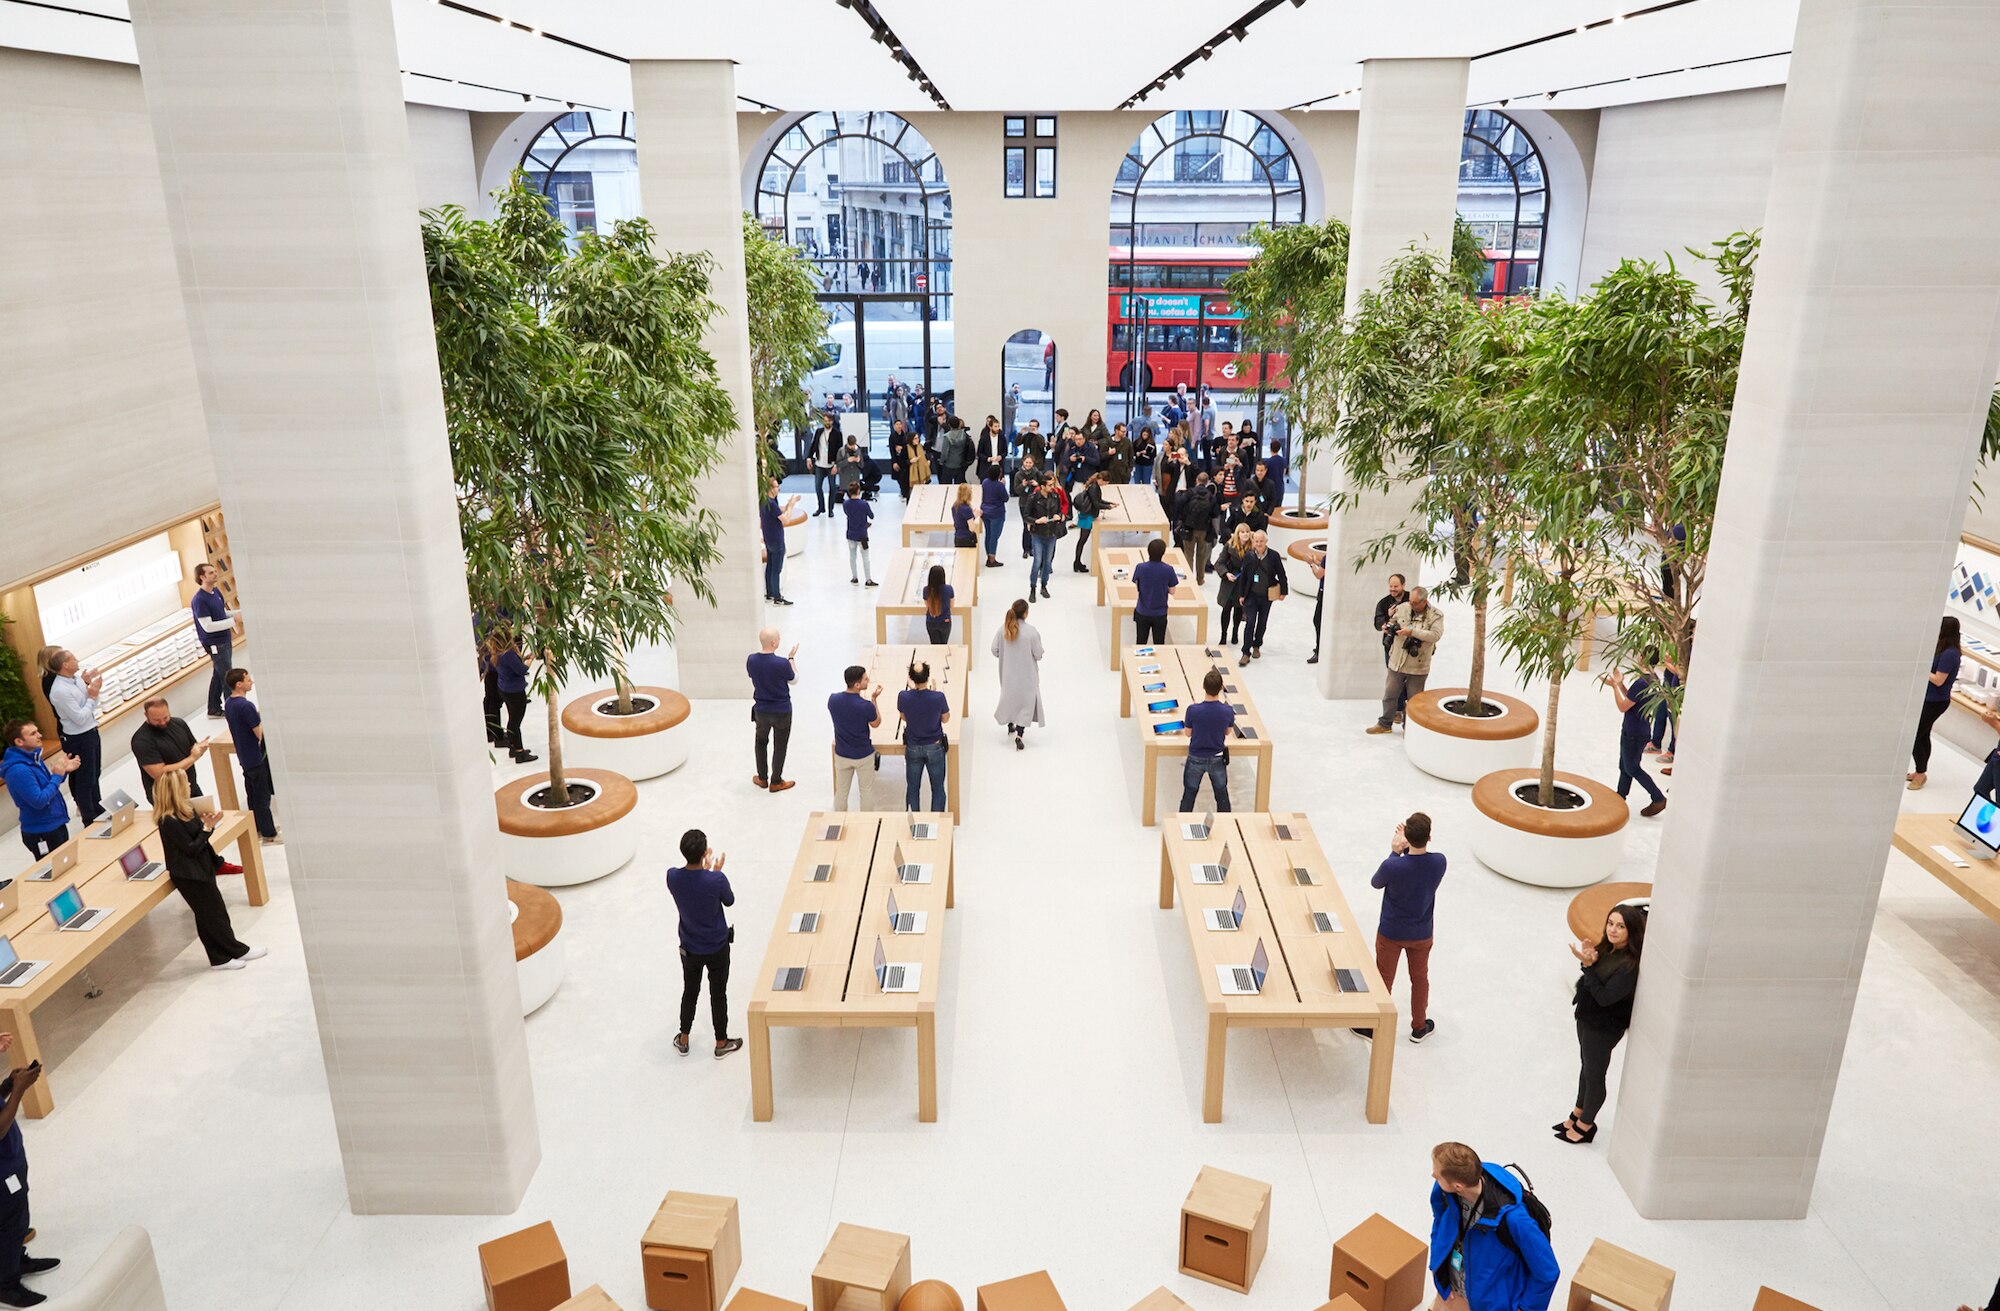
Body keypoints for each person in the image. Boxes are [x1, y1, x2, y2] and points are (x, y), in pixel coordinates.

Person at [1427, 1142, 1561, 1311]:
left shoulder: (1515, 1220)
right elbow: (1439, 1222)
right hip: (1452, 1293)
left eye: (1437, 1175)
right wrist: (1440, 1273)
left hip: (1489, 1304)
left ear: (1458, 1186)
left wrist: (1525, 1308)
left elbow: (1548, 1272)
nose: (1433, 1175)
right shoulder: (1444, 1191)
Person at [153, 769, 264, 971]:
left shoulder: (186, 810)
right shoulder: (168, 820)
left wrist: (208, 824)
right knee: (214, 915)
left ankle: (219, 957)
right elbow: (191, 848)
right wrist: (206, 829)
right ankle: (235, 950)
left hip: (201, 868)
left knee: (208, 916)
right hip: (189, 875)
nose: (189, 785)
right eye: (185, 782)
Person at [1558, 903, 1648, 1145]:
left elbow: (1605, 996)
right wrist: (1590, 961)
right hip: (1587, 1017)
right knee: (1586, 1067)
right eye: (1610, 923)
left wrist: (1589, 967)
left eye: (1620, 926)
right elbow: (1593, 980)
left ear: (1631, 931)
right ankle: (1577, 1112)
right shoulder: (1607, 949)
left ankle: (1586, 1124)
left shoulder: (1629, 964)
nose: (1613, 930)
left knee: (1595, 1074)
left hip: (1604, 1026)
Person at [665, 829, 743, 1059]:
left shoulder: (672, 877)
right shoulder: (716, 880)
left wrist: (706, 871)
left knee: (690, 990)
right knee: (718, 993)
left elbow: (692, 886)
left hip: (689, 948)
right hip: (717, 947)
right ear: (703, 853)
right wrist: (714, 872)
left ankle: (684, 1037)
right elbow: (729, 900)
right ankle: (721, 1042)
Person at [1370, 814, 1445, 1044]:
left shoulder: (1393, 865)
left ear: (1407, 838)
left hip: (1391, 932)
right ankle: (1419, 1026)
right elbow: (1416, 870)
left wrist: (1396, 850)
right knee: (1420, 978)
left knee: (1383, 978)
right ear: (1430, 837)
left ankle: (1371, 1026)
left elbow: (1376, 882)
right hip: (1421, 933)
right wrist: (1406, 849)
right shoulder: (1439, 862)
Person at [0, 1034, 57, 1307]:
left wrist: (8, 1085)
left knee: (18, 1213)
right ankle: (6, 1284)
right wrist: (20, 1090)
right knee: (8, 1222)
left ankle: (16, 1260)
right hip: (1, 1171)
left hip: (11, 1158)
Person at [40, 649, 103, 825]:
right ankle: (89, 817)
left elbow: (91, 705)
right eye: (73, 659)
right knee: (84, 778)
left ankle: (97, 806)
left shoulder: (76, 680)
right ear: (65, 665)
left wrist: (92, 693)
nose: (78, 660)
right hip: (78, 737)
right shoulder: (59, 690)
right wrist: (92, 696)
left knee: (95, 772)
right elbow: (80, 717)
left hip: (91, 730)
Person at [1368, 587, 1443, 733]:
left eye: (1415, 603)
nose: (1411, 605)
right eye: (1410, 601)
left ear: (1424, 601)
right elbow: (1392, 621)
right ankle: (1385, 724)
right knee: (1390, 695)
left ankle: (1410, 730)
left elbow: (1435, 635)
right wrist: (1387, 626)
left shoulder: (1436, 615)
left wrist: (1413, 632)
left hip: (1418, 666)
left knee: (1414, 700)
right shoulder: (1402, 608)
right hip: (1397, 661)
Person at [1, 723, 76, 860]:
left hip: (55, 824)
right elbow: (39, 800)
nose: (40, 735)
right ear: (19, 742)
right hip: (43, 832)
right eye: (33, 733)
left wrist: (62, 772)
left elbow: (48, 786)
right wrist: (57, 776)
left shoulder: (33, 758)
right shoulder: (18, 770)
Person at [223, 669, 280, 844]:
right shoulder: (246, 706)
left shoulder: (229, 703)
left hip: (244, 757)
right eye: (248, 680)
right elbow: (259, 734)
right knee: (262, 797)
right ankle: (269, 833)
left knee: (252, 795)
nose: (251, 682)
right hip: (256, 758)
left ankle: (257, 826)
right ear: (239, 684)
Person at [129, 697, 215, 809]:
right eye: (157, 720)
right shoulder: (141, 741)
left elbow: (192, 748)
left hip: (190, 787)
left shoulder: (179, 723)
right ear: (146, 715)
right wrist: (192, 758)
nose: (162, 722)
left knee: (208, 822)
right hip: (166, 797)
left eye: (165, 717)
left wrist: (200, 749)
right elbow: (160, 773)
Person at [1609, 659, 1669, 818]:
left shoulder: (1641, 682)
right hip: (1640, 729)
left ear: (1642, 657)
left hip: (1633, 731)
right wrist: (1619, 684)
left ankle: (1658, 797)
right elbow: (1633, 699)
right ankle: (1620, 796)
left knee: (1632, 767)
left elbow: (1623, 706)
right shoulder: (1653, 679)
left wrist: (1615, 687)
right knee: (1625, 765)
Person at [1910, 616, 1961, 791]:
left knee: (1915, 735)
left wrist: (1921, 667)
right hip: (1928, 698)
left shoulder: (1950, 654)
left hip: (1935, 701)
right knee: (1923, 735)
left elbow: (1939, 680)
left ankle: (1921, 773)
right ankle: (1919, 771)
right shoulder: (1943, 648)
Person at [746, 629, 799, 793]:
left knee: (760, 742)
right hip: (781, 710)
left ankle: (762, 778)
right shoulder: (782, 663)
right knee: (780, 745)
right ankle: (776, 781)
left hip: (761, 709)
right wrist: (791, 658)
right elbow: (794, 679)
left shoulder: (751, 660)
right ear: (774, 643)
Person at [1177, 668, 1235, 812]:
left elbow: (1188, 733)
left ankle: (1183, 824)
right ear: (1221, 688)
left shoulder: (1193, 710)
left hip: (1196, 757)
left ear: (1203, 686)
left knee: (1189, 794)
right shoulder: (1228, 711)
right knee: (1222, 795)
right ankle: (1227, 826)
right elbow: (1228, 731)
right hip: (1217, 757)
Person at [991, 600, 1045, 750]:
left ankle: (1010, 724)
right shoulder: (1031, 632)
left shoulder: (1003, 630)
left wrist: (1006, 655)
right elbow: (1038, 654)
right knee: (1025, 705)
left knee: (1010, 699)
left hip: (1008, 674)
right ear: (1026, 614)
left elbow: (994, 649)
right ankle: (1019, 735)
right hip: (1027, 676)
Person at [899, 661, 952, 812]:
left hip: (913, 747)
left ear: (911, 677)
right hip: (935, 746)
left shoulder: (904, 696)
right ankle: (937, 822)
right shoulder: (938, 697)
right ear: (928, 676)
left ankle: (913, 821)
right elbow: (945, 718)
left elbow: (904, 716)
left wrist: (914, 691)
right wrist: (933, 693)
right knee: (938, 787)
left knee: (913, 787)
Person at [190, 563, 241, 720]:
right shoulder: (199, 600)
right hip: (215, 643)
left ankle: (213, 708)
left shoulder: (215, 592)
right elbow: (208, 626)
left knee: (219, 673)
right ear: (202, 577)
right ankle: (232, 711)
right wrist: (234, 621)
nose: (215, 574)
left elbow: (220, 614)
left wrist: (236, 614)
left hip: (224, 639)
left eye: (215, 571)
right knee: (227, 676)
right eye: (211, 573)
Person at [828, 666, 882, 812]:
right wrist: (873, 700)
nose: (868, 680)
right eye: (865, 679)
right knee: (866, 792)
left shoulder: (833, 700)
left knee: (841, 792)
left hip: (842, 754)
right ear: (857, 685)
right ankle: (865, 823)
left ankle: (838, 820)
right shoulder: (865, 706)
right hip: (863, 755)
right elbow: (876, 723)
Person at [1235, 530, 1289, 666]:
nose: (1259, 544)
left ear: (1266, 541)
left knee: (1262, 622)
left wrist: (1283, 591)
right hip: (1251, 595)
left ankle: (1257, 645)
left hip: (1266, 596)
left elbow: (1282, 574)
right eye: (1257, 541)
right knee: (1250, 622)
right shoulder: (1249, 556)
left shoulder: (1274, 556)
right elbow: (1244, 577)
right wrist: (1242, 594)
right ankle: (1245, 652)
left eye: (1261, 541)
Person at [493, 638, 537, 763]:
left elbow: (510, 666)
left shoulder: (497, 652)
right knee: (515, 722)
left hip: (504, 689)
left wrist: (522, 659)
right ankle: (519, 752)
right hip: (515, 691)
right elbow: (522, 670)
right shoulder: (509, 654)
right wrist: (530, 660)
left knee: (512, 718)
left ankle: (513, 747)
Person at [1131, 538, 1180, 646]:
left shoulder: (1140, 567)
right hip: (1160, 613)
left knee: (1140, 641)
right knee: (1159, 643)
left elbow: (1137, 584)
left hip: (1142, 611)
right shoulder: (1168, 569)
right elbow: (1172, 591)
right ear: (1163, 553)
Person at [1026, 473, 1065, 601]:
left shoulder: (1055, 496)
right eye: (1049, 485)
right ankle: (1032, 588)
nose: (1052, 487)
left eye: (1053, 484)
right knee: (1037, 561)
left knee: (1048, 562)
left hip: (1051, 533)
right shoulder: (1033, 498)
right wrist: (1036, 521)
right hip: (1038, 533)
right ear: (1042, 486)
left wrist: (1058, 516)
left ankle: (1044, 585)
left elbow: (1059, 511)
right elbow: (1026, 516)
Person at [761, 477, 799, 606]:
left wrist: (787, 506)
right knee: (776, 569)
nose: (779, 489)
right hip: (776, 539)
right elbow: (786, 520)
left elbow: (779, 511)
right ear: (771, 489)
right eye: (777, 487)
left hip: (768, 538)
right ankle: (777, 597)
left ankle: (770, 593)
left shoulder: (765, 501)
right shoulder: (771, 503)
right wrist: (791, 507)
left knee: (770, 566)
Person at [1214, 524, 1252, 648]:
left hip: (1243, 584)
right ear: (1238, 533)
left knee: (1239, 610)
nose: (1245, 534)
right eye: (1242, 532)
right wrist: (1226, 573)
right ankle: (1223, 635)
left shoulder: (1253, 548)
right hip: (1230, 583)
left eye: (1247, 531)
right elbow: (1219, 562)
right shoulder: (1229, 546)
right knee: (1226, 609)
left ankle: (1235, 633)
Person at [1177, 473, 1217, 587]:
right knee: (1201, 554)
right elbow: (1215, 513)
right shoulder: (1210, 495)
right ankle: (1200, 579)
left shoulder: (1190, 492)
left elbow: (1179, 504)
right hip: (1204, 529)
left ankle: (1189, 578)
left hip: (1189, 528)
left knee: (1189, 554)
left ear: (1196, 480)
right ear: (1207, 482)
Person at [1070, 473, 1111, 574]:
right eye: (1105, 482)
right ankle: (1077, 562)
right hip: (1087, 516)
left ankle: (1077, 562)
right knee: (1082, 540)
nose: (1105, 484)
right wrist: (1108, 507)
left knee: (1082, 540)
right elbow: (1096, 503)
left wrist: (1109, 504)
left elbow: (1098, 500)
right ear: (1101, 479)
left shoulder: (1094, 486)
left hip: (1087, 514)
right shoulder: (1094, 488)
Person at [843, 482, 879, 587]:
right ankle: (868, 579)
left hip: (850, 533)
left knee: (852, 556)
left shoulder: (846, 503)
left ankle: (854, 577)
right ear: (858, 491)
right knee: (865, 557)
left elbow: (847, 513)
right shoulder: (864, 504)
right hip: (862, 535)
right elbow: (871, 516)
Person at [1373, 573, 1409, 667]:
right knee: (1392, 677)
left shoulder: (1411, 599)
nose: (1393, 589)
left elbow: (1418, 620)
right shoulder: (1383, 602)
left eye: (1396, 586)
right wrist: (1384, 625)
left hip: (1408, 643)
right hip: (1390, 644)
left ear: (1403, 585)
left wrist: (1409, 628)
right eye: (1391, 586)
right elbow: (1378, 622)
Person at [979, 461, 1009, 567]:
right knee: (994, 536)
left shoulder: (985, 482)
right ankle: (992, 559)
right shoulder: (999, 486)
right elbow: (1006, 498)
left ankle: (988, 556)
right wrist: (1004, 485)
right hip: (997, 513)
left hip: (985, 512)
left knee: (989, 534)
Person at [808, 413, 839, 514]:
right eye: (825, 420)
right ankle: (821, 507)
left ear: (832, 421)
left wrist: (836, 465)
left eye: (829, 421)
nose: (827, 423)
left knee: (832, 487)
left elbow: (839, 450)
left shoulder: (837, 433)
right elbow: (813, 445)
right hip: (819, 464)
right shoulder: (819, 431)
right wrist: (809, 457)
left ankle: (831, 509)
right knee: (817, 486)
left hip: (831, 465)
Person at [1012, 454, 1041, 560]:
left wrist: (1037, 484)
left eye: (1030, 463)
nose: (1028, 464)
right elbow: (1016, 490)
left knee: (1034, 525)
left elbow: (1043, 485)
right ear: (1023, 462)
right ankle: (1026, 549)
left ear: (1033, 464)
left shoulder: (1037, 473)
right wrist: (1023, 485)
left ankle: (1034, 548)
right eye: (1026, 462)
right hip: (1024, 503)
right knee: (1026, 526)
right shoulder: (1018, 475)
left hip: (1035, 502)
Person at [922, 564, 956, 645]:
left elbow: (927, 606)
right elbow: (951, 605)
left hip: (931, 622)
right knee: (944, 644)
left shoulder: (926, 590)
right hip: (945, 621)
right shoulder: (949, 589)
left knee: (935, 645)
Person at [1306, 546, 1327, 665]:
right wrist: (1316, 562)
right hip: (1326, 593)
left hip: (1324, 593)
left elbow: (1319, 574)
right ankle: (1320, 646)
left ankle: (1319, 650)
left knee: (1318, 620)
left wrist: (1311, 564)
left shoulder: (1327, 558)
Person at [939, 416, 972, 485]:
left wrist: (941, 461)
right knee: (959, 485)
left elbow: (944, 452)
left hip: (949, 464)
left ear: (949, 425)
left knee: (946, 485)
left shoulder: (947, 436)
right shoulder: (964, 435)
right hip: (960, 463)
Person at [951, 483, 981, 551]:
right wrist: (974, 516)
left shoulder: (954, 506)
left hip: (958, 537)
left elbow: (961, 520)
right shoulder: (966, 509)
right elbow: (972, 528)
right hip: (967, 538)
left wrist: (973, 515)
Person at [1103, 421, 1133, 485]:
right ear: (1116, 431)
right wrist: (1108, 453)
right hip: (1111, 473)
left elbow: (1131, 457)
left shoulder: (1127, 442)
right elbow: (1101, 456)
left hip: (1123, 474)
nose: (1125, 433)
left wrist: (1129, 470)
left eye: (1125, 431)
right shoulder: (1108, 441)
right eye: (1123, 431)